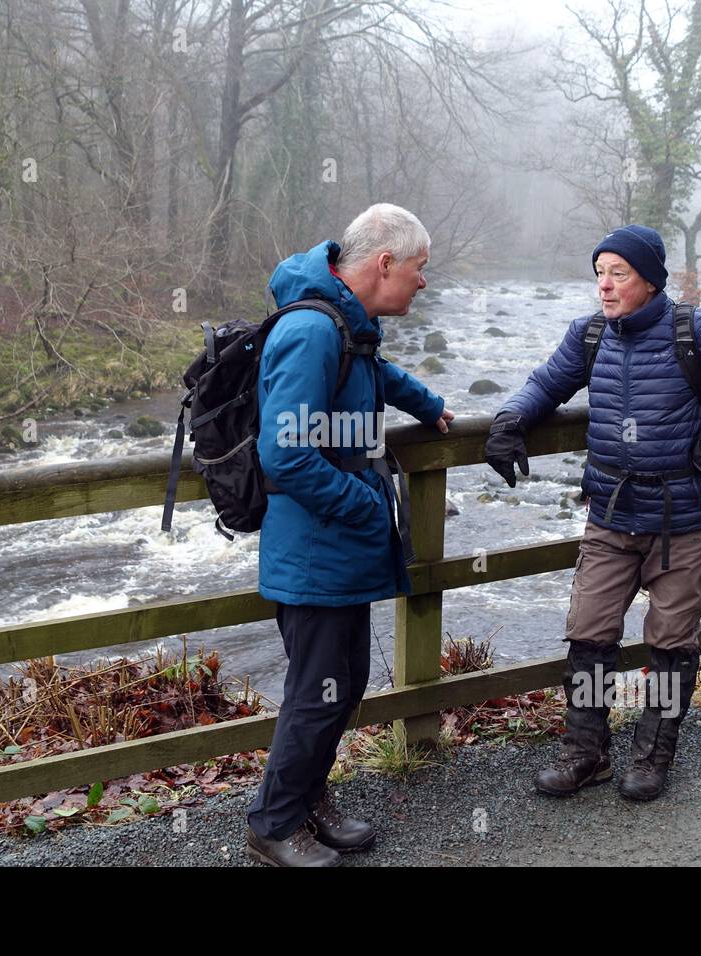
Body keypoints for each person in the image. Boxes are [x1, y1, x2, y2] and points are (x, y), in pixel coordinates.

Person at [484, 224, 701, 802]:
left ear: (650, 281)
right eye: (599, 273)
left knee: (671, 641)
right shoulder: (589, 336)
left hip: (684, 515)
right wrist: (509, 421)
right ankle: (585, 754)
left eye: (618, 274)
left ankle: (652, 758)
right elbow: (543, 385)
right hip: (610, 512)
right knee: (589, 634)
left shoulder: (699, 331)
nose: (604, 287)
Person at [246, 203, 455, 866]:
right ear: (384, 263)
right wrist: (367, 512)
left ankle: (309, 802)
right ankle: (273, 824)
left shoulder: (346, 323)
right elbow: (286, 455)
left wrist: (428, 404)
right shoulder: (311, 330)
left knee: (344, 681)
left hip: (334, 546)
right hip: (316, 547)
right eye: (419, 268)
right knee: (318, 691)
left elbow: (371, 371)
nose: (424, 282)